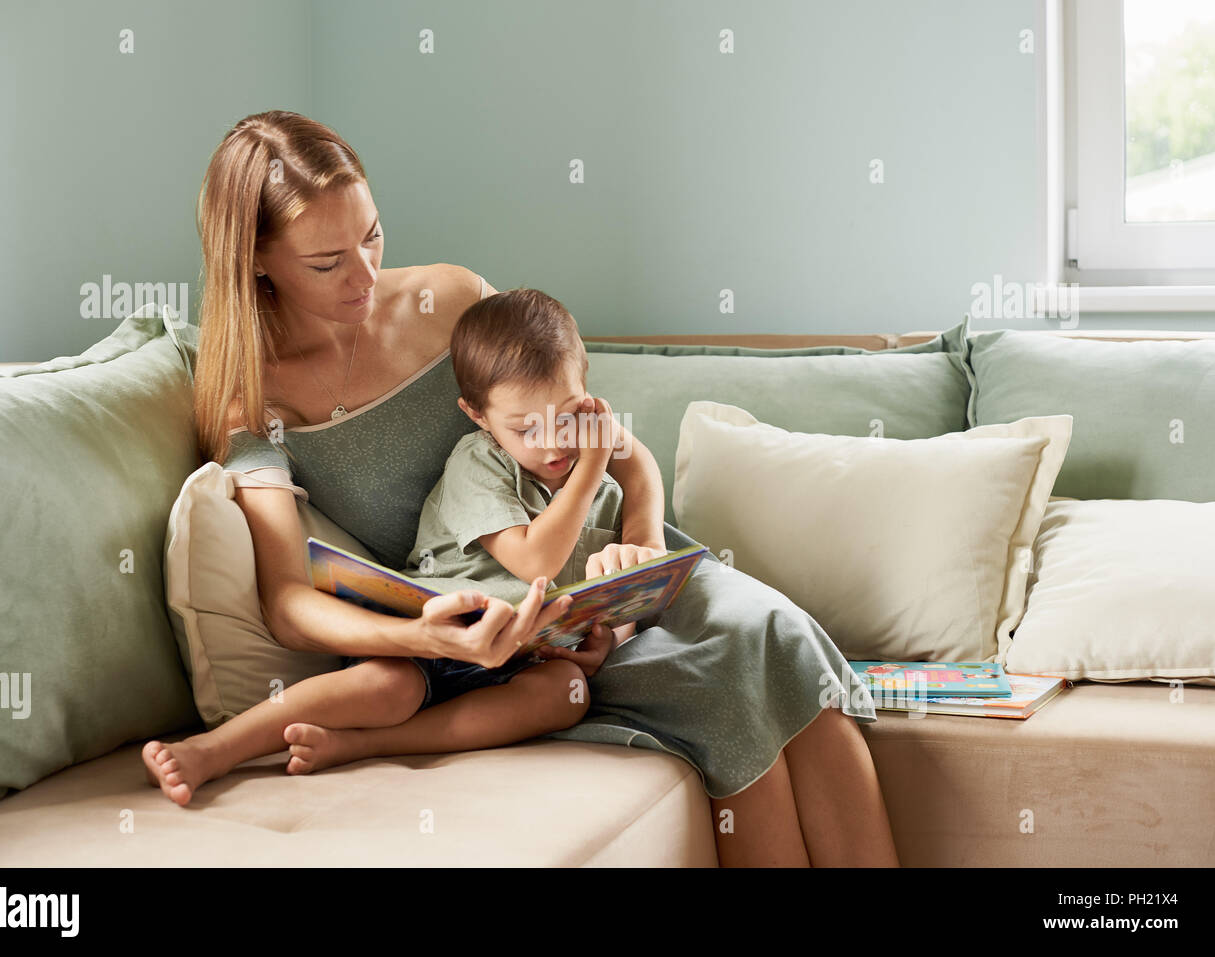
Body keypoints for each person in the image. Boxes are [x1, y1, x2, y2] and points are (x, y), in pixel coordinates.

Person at [146, 109, 897, 867]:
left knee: (782, 638)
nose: (366, 275)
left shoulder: (453, 301)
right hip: (506, 630)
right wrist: (423, 637)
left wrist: (637, 553)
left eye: (373, 235)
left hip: (610, 580)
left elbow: (614, 444)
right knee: (727, 684)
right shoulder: (254, 397)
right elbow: (287, 599)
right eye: (327, 261)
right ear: (257, 260)